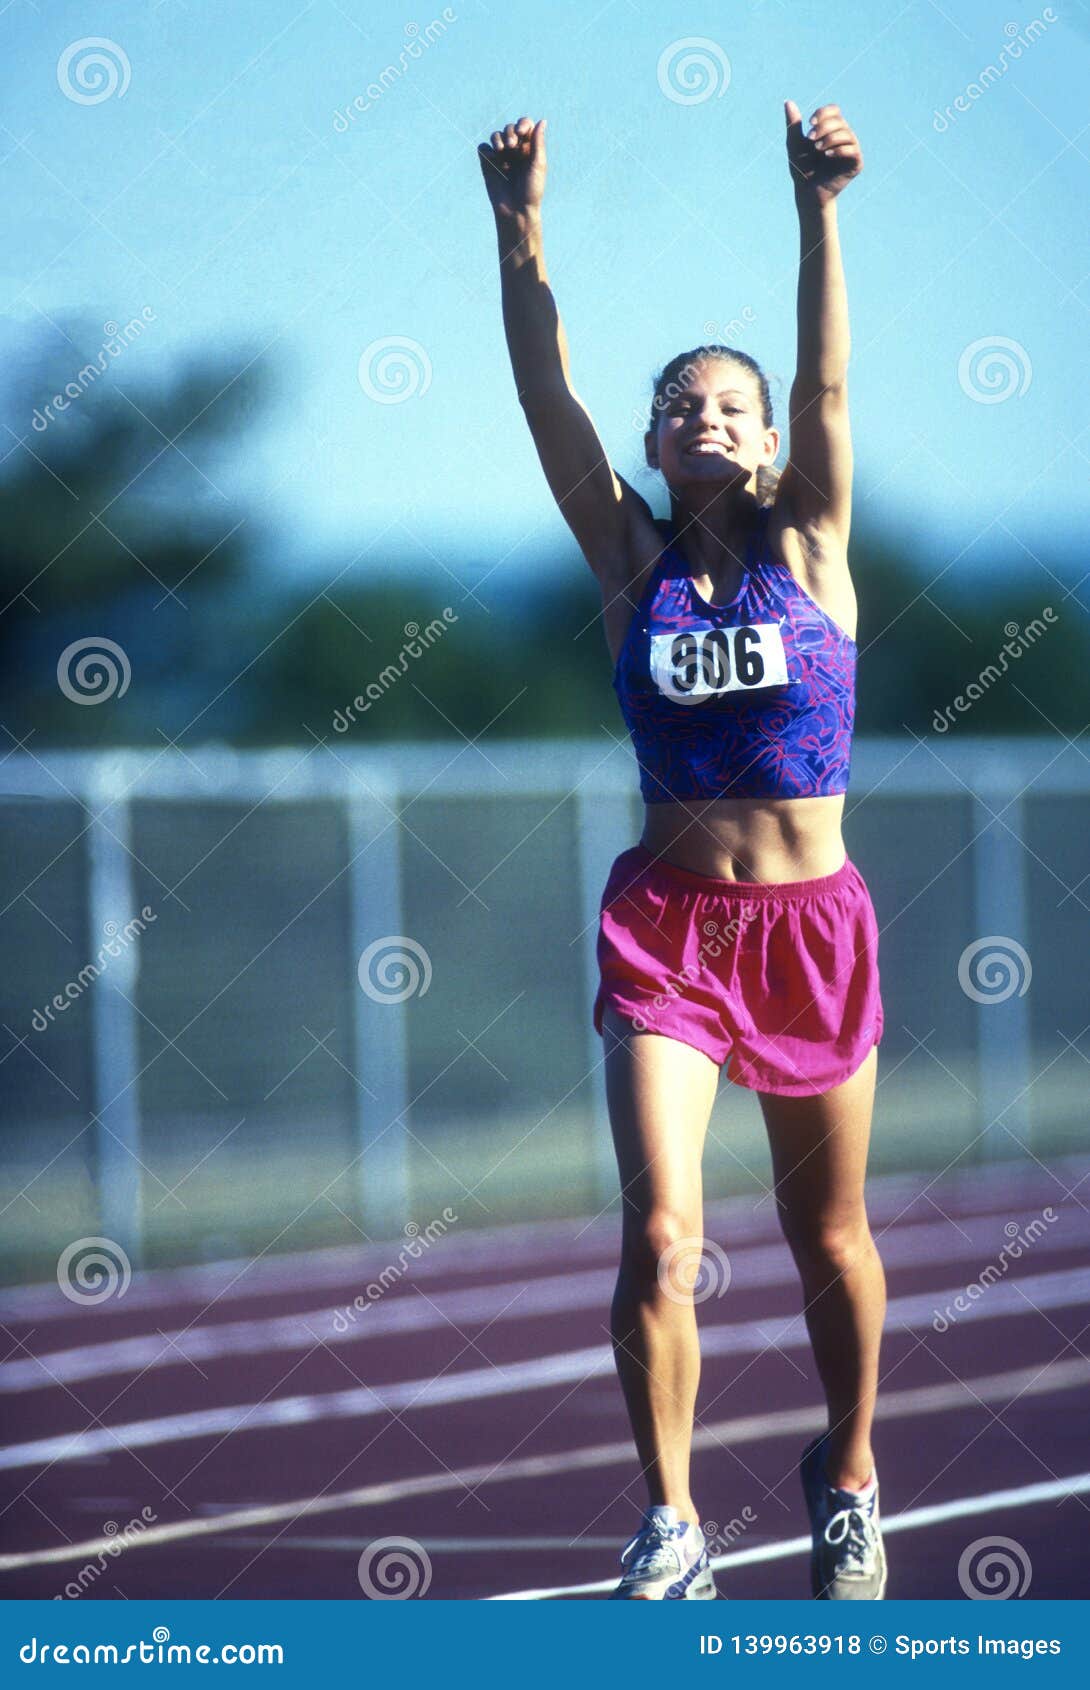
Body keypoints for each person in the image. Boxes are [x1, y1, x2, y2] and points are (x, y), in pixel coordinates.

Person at [478, 101, 886, 1602]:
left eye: (731, 405)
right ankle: (671, 1520)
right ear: (653, 445)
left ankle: (845, 1474)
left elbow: (830, 369)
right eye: (679, 408)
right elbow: (543, 401)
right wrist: (518, 228)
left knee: (829, 1236)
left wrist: (817, 204)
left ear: (768, 440)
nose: (703, 418)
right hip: (667, 934)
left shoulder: (816, 546)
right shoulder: (626, 563)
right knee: (660, 1230)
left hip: (811, 932)